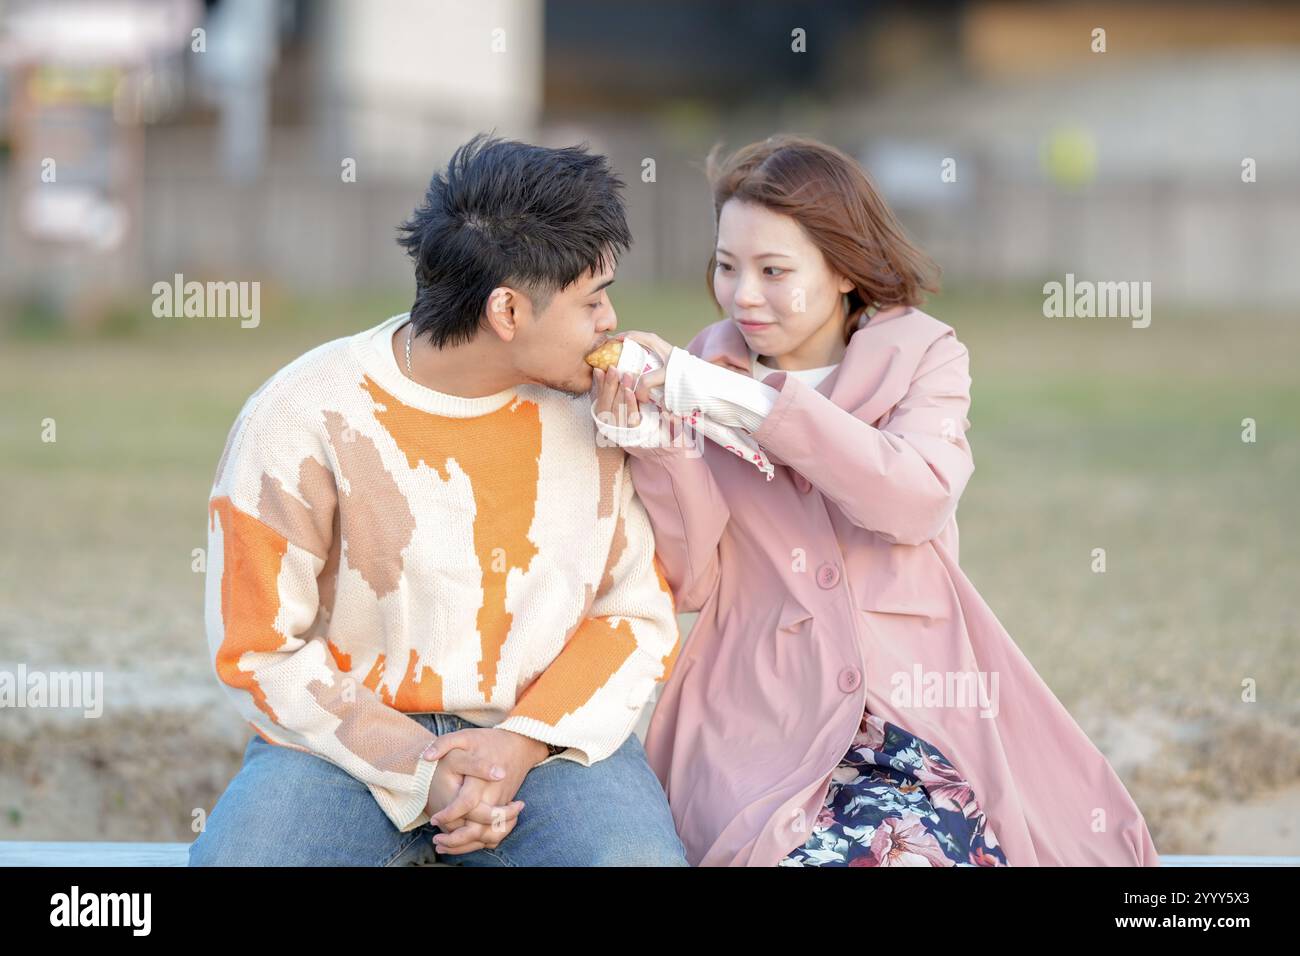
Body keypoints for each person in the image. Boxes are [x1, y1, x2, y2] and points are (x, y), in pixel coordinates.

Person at [592, 134, 1161, 867]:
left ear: (842, 269)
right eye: (728, 267)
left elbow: (914, 499)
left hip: (916, 708)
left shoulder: (924, 353)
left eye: (774, 270)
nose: (744, 294)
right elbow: (691, 577)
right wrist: (653, 439)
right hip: (761, 718)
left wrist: (746, 401)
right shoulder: (699, 368)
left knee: (914, 851)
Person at [189, 133, 688, 866]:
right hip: (340, 748)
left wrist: (516, 745)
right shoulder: (301, 414)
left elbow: (633, 615)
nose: (610, 321)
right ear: (508, 313)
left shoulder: (597, 411)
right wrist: (421, 768)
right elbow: (257, 648)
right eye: (593, 299)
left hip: (550, 745)